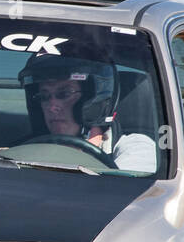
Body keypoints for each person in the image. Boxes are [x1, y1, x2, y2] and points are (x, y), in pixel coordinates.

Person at [16, 54, 158, 173]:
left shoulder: (136, 149)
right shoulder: (23, 151)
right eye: (44, 97)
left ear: (93, 98)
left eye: (65, 93)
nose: (52, 107)